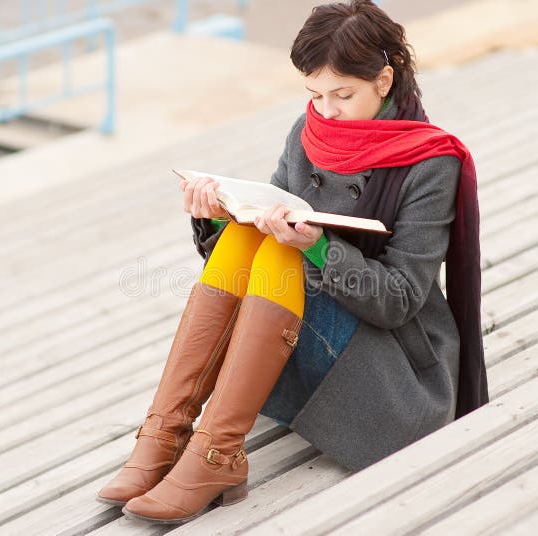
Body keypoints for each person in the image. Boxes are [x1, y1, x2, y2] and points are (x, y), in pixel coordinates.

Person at [97, 0, 488, 524]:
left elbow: (399, 302)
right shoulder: (308, 135)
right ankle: (166, 433)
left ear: (385, 78)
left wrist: (318, 247)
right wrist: (215, 217)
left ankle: (215, 453)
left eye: (343, 95)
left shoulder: (430, 162)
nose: (326, 111)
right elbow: (256, 242)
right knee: (246, 235)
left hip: (390, 368)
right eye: (315, 94)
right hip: (295, 323)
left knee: (284, 244)